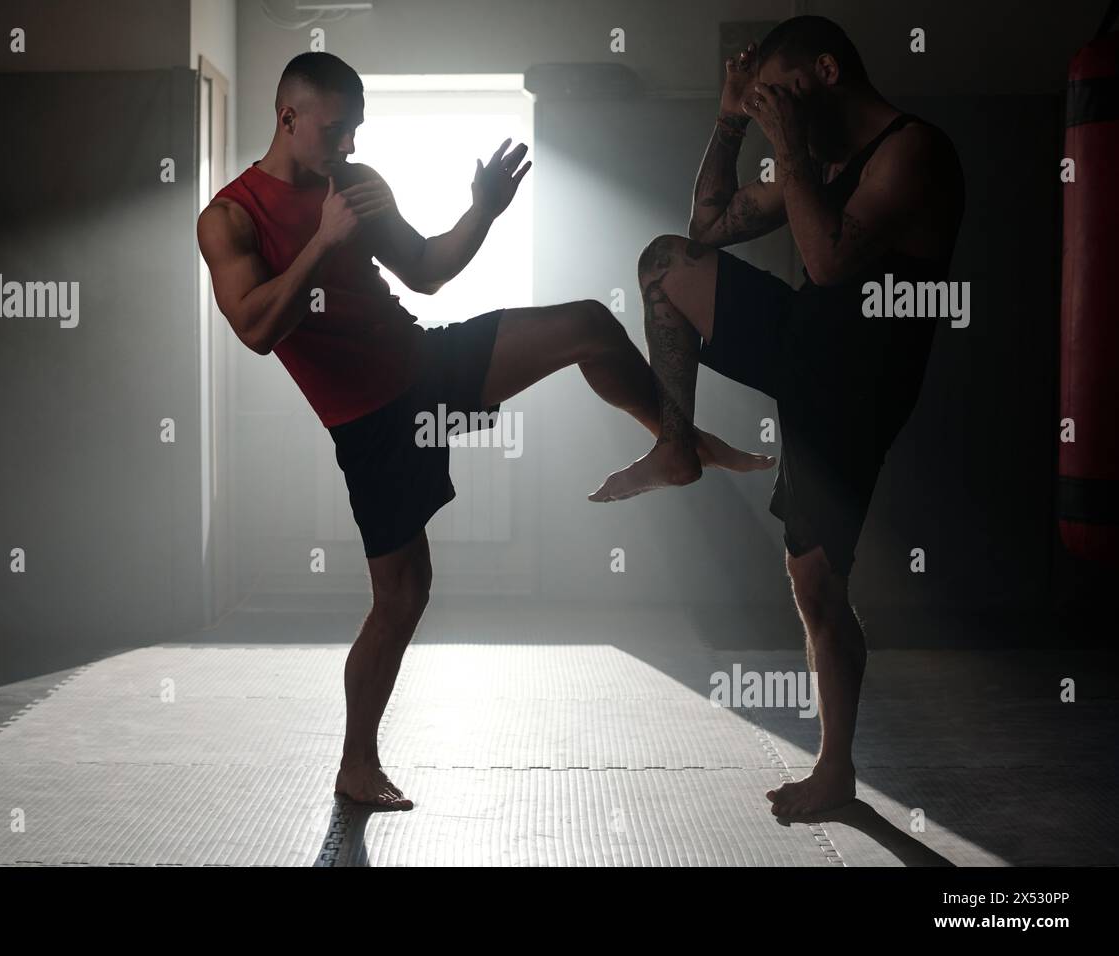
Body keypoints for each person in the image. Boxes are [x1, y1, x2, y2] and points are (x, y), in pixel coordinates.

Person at [197, 51, 770, 810]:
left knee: (590, 327)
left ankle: (676, 445)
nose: (349, 147)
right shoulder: (230, 216)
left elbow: (427, 270)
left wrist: (484, 211)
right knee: (403, 597)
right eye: (335, 131)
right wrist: (323, 243)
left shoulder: (358, 186)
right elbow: (255, 329)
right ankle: (356, 765)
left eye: (357, 131)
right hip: (369, 424)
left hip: (428, 363)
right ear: (288, 118)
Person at [589, 16, 965, 817]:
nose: (771, 115)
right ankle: (677, 443)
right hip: (805, 346)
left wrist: (788, 150)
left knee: (816, 584)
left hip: (856, 388)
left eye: (777, 97)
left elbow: (828, 261)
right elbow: (707, 226)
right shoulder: (823, 160)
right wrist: (728, 121)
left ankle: (834, 771)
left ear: (826, 71)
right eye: (761, 105)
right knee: (666, 264)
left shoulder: (912, 152)